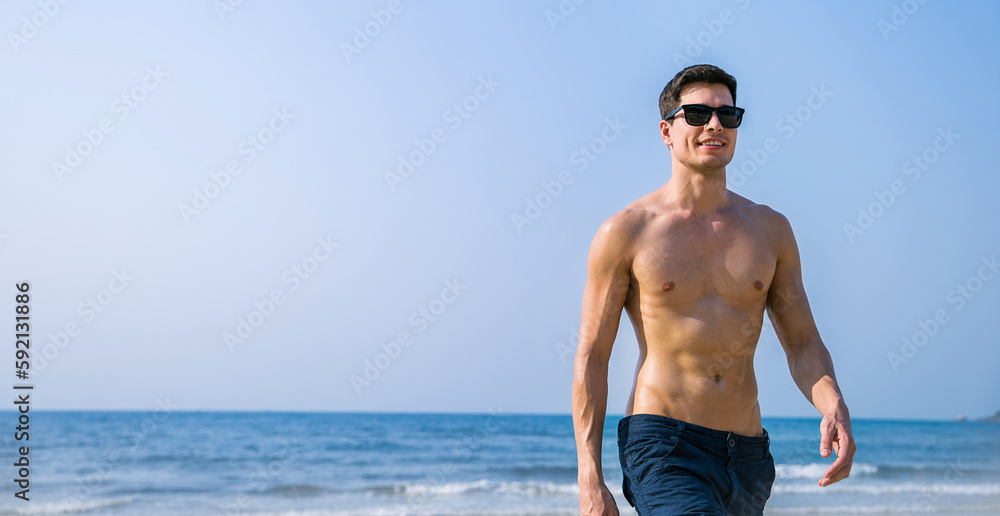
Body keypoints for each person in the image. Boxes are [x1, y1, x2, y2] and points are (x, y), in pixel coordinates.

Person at [572, 64, 855, 516]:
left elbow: (802, 342)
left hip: (748, 457)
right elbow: (593, 356)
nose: (715, 125)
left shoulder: (770, 231)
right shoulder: (627, 232)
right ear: (667, 131)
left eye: (728, 114)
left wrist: (832, 402)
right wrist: (590, 476)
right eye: (698, 114)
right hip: (665, 446)